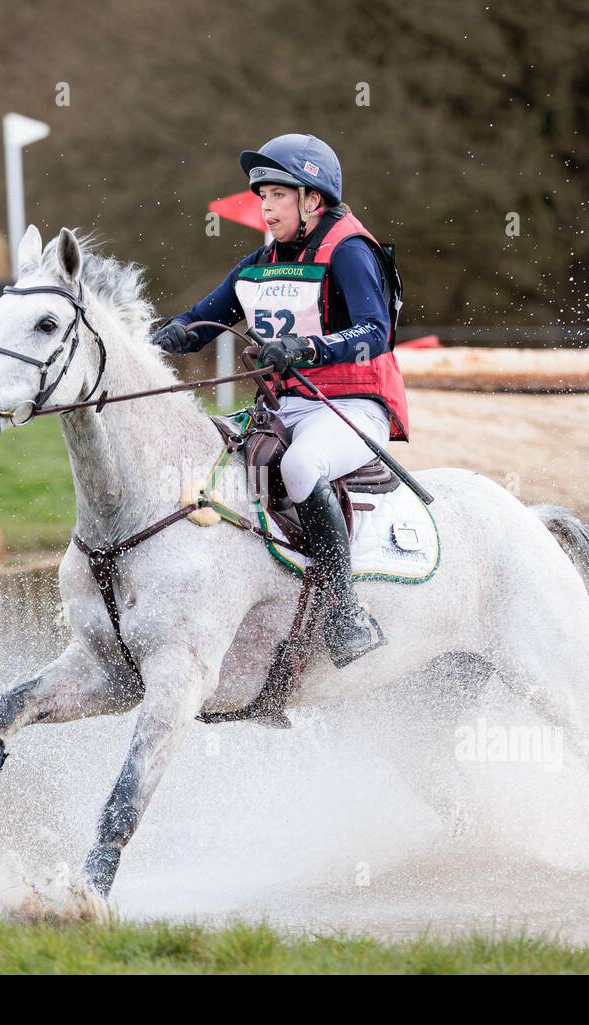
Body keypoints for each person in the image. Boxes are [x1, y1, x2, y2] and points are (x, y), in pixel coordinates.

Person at [150, 133, 410, 668]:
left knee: (299, 465)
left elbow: (374, 333)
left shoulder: (351, 251)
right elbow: (203, 320)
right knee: (203, 453)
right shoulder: (258, 263)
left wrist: (309, 347)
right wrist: (161, 338)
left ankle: (344, 610)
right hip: (285, 408)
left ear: (313, 199)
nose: (264, 207)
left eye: (277, 195)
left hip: (352, 407)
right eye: (261, 195)